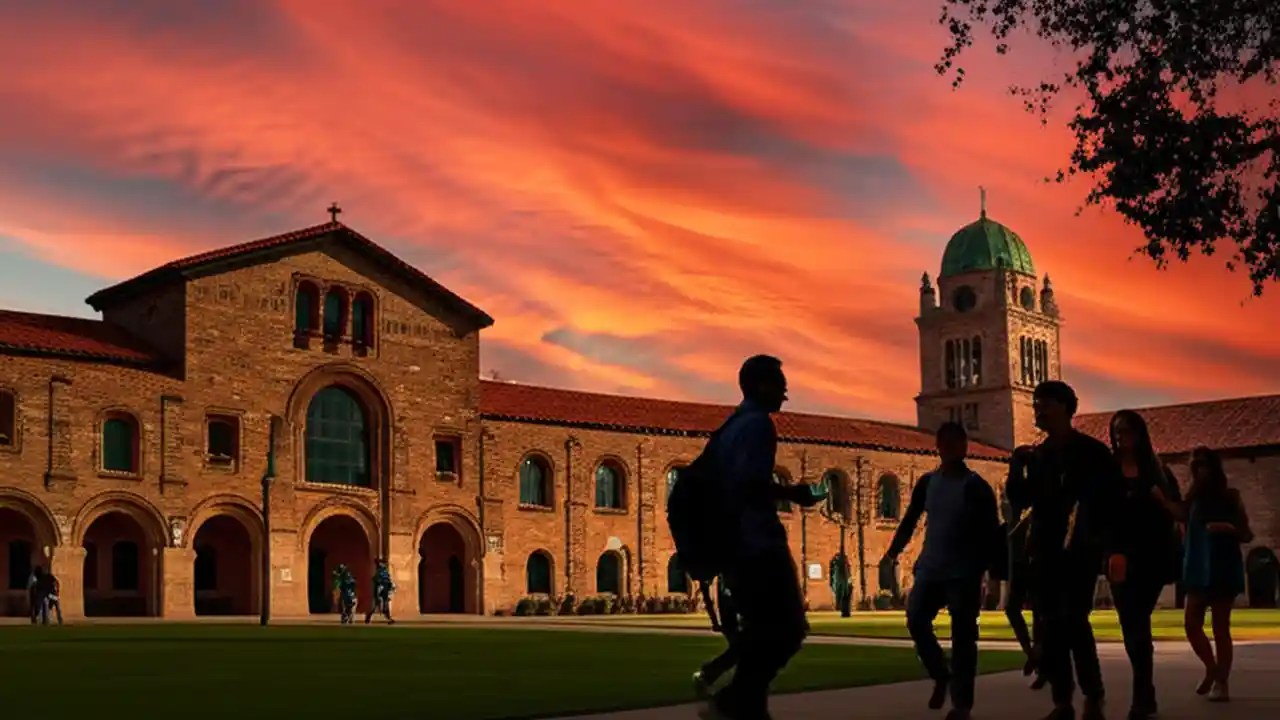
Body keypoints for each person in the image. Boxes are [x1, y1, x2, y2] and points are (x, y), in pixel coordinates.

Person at [700, 354, 825, 720]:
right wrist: (794, 493)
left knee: (763, 630)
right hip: (757, 545)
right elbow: (748, 484)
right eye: (779, 382)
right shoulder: (758, 426)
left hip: (734, 547)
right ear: (761, 385)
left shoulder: (730, 428)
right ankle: (733, 701)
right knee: (787, 630)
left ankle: (744, 705)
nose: (786, 391)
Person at [1007, 381, 1124, 720]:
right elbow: (1020, 499)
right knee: (1051, 626)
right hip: (1044, 552)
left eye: (1045, 404)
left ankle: (1092, 694)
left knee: (1074, 622)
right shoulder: (1040, 456)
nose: (1038, 410)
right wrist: (1017, 466)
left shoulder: (1092, 453)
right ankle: (1063, 701)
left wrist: (1110, 547)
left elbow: (1111, 503)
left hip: (1080, 551)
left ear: (1065, 408)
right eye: (1036, 404)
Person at [883, 421, 1001, 720]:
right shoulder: (928, 483)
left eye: (955, 443)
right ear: (938, 447)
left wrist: (991, 573)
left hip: (964, 573)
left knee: (964, 639)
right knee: (916, 620)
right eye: (944, 444)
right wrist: (892, 552)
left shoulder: (975, 487)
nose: (949, 449)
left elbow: (990, 534)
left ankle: (962, 705)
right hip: (932, 568)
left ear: (964, 447)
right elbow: (910, 519)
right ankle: (940, 672)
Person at [1108, 410, 1182, 719]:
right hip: (1119, 558)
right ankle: (1145, 691)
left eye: (1126, 431)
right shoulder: (1108, 472)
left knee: (1138, 625)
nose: (1120, 437)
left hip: (1151, 557)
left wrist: (1161, 501)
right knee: (1131, 628)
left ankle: (1142, 695)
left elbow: (1178, 514)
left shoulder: (1158, 472)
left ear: (1139, 434)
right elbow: (1100, 514)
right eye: (1116, 431)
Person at [1163, 446, 1252, 702]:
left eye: (1204, 464)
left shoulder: (1230, 497)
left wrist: (1228, 527)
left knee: (1220, 628)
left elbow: (1246, 534)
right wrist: (1160, 498)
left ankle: (1221, 683)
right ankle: (1212, 669)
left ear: (1214, 467)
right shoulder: (1193, 500)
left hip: (1223, 566)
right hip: (1197, 567)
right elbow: (1176, 512)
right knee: (1191, 625)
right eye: (1196, 466)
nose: (1200, 470)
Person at [1001, 488, 1046, 690]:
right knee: (1012, 608)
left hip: (1038, 561)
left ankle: (1042, 667)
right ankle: (1032, 653)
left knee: (1040, 614)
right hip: (1020, 561)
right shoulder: (1019, 510)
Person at [693, 577, 740, 698]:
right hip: (732, 616)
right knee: (742, 650)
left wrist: (714, 621)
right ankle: (708, 674)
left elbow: (706, 594)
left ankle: (708, 674)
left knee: (741, 650)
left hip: (733, 615)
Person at [365, 558, 396, 625]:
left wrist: (391, 588)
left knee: (383, 606)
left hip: (384, 591)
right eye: (383, 563)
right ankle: (368, 618)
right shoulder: (380, 572)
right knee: (376, 606)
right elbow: (377, 581)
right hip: (380, 591)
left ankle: (389, 619)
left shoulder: (384, 571)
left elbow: (387, 581)